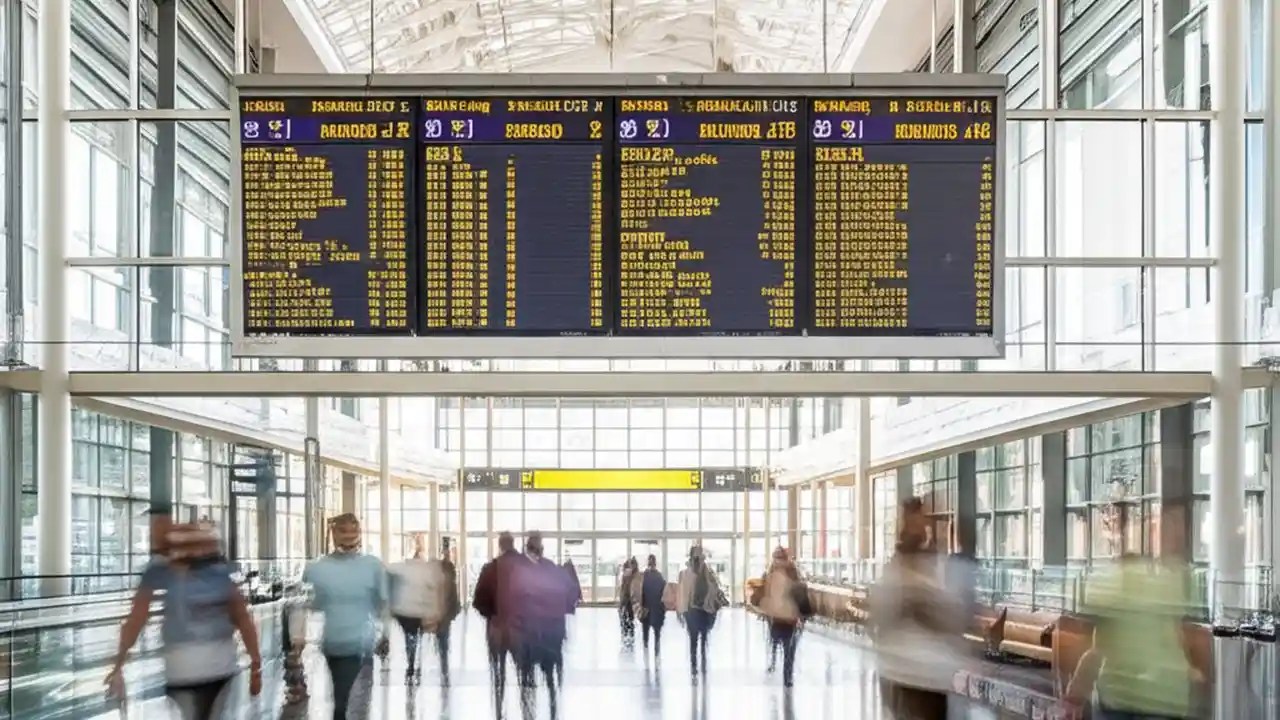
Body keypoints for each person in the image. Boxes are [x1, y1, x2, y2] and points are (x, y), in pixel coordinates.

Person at [106, 519, 263, 720]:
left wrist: (119, 663)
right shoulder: (220, 576)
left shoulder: (160, 573)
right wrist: (256, 664)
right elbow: (244, 620)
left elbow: (135, 620)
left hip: (179, 670)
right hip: (220, 667)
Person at [869, 498, 966, 720]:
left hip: (924, 674)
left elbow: (950, 616)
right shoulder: (901, 570)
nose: (922, 526)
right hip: (911, 674)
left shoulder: (925, 567)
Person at [293, 513, 391, 720]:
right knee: (345, 701)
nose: (348, 536)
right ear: (333, 534)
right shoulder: (317, 569)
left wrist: (385, 634)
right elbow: (304, 605)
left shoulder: (373, 566)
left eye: (352, 530)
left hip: (360, 646)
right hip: (334, 645)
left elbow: (383, 604)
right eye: (343, 530)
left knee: (348, 703)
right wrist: (297, 642)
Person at [1082, 553, 1194, 719]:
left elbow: (1098, 648)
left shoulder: (1111, 602)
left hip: (1118, 694)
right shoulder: (1160, 600)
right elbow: (1174, 638)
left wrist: (1075, 693)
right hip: (1159, 696)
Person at [474, 532, 521, 716]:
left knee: (498, 670)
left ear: (500, 546)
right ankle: (526, 705)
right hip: (520, 629)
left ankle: (499, 709)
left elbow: (478, 600)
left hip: (496, 628)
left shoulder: (490, 568)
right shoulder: (525, 567)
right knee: (523, 671)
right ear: (513, 544)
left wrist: (491, 614)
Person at [388, 545, 449, 685]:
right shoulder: (426, 571)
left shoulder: (403, 568)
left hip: (404, 610)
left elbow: (387, 569)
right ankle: (417, 663)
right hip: (420, 610)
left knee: (409, 638)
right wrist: (435, 610)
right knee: (419, 637)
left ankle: (411, 663)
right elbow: (434, 587)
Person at [759, 547, 811, 687]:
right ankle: (784, 673)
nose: (778, 561)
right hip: (781, 617)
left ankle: (786, 674)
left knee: (786, 647)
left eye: (779, 558)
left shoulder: (779, 576)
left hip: (786, 618)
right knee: (785, 646)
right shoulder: (784, 576)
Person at [676, 545, 726, 680]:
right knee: (695, 640)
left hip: (703, 611)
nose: (698, 559)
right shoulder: (686, 574)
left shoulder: (707, 573)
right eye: (696, 556)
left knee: (702, 639)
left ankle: (700, 664)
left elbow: (715, 590)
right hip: (692, 611)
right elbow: (682, 594)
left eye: (699, 556)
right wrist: (680, 611)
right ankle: (695, 666)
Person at [429, 540, 462, 685]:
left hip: (441, 611)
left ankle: (443, 662)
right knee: (443, 637)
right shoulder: (448, 572)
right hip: (443, 611)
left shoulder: (442, 572)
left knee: (442, 637)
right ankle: (444, 663)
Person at [638, 554, 668, 660]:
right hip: (657, 609)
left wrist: (641, 606)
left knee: (645, 633)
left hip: (646, 608)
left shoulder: (645, 576)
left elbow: (641, 592)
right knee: (657, 633)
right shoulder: (659, 576)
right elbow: (664, 592)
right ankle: (656, 651)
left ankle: (646, 651)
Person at [618, 557, 640, 646]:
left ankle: (626, 635)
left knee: (626, 619)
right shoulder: (632, 575)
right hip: (628, 600)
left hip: (627, 600)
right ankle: (628, 635)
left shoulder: (628, 575)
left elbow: (625, 589)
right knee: (628, 619)